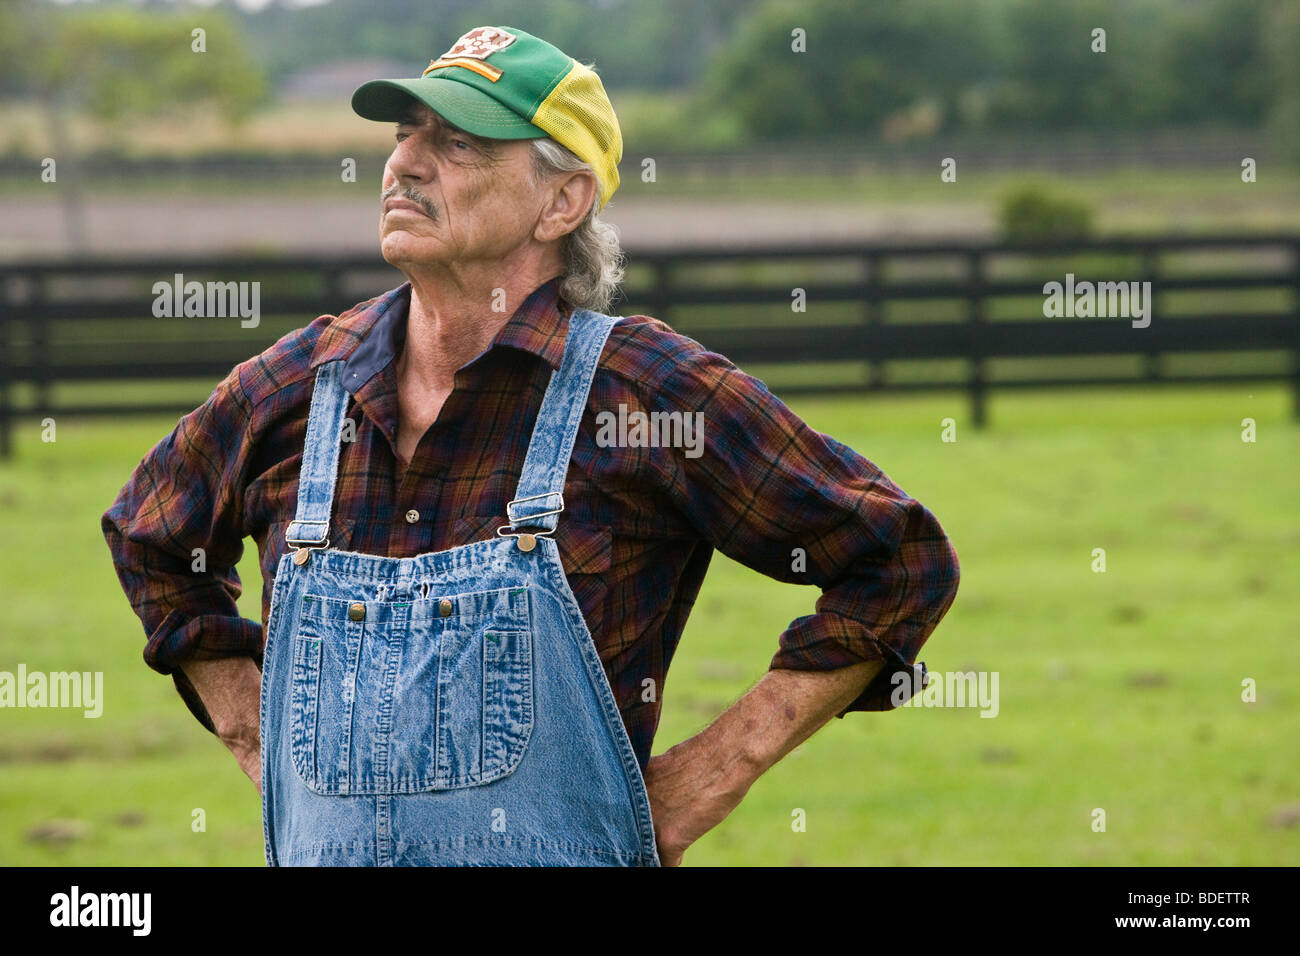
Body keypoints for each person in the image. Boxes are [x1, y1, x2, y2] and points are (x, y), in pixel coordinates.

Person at [101, 25, 960, 867]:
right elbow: (151, 534)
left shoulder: (646, 392)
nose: (406, 162)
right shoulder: (298, 385)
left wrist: (709, 778)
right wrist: (249, 724)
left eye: (462, 143)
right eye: (407, 136)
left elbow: (897, 560)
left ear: (564, 201)